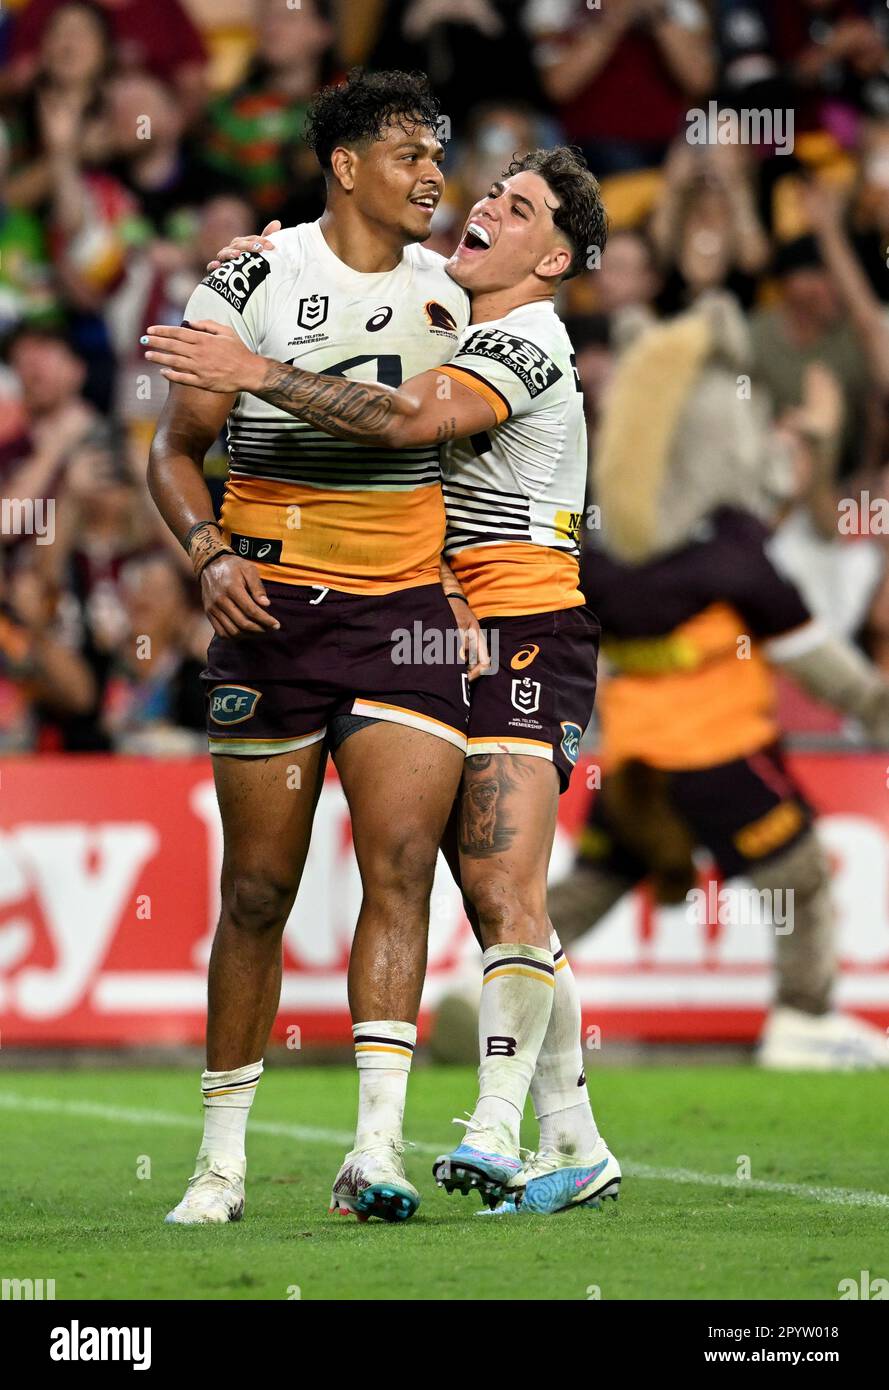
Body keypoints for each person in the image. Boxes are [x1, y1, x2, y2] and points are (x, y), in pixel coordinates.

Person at [143, 145, 622, 1217]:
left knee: (500, 886)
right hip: (446, 620)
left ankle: (496, 1130)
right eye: (490, 190)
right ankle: (575, 1139)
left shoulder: (528, 343)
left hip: (527, 622)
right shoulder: (447, 307)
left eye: (519, 206)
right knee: (489, 886)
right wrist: (262, 267)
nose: (485, 205)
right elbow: (350, 285)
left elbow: (407, 420)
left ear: (554, 259)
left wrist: (256, 369)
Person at [146, 70, 472, 1227]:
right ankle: (220, 1163)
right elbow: (176, 452)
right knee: (257, 889)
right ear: (343, 167)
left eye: (436, 152)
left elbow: (456, 427)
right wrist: (206, 554)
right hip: (271, 616)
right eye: (404, 153)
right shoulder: (254, 278)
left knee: (397, 863)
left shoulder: (455, 291)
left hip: (406, 620)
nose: (431, 172)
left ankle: (376, 1147)